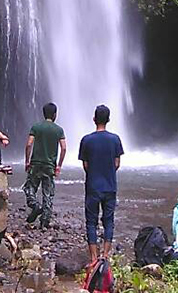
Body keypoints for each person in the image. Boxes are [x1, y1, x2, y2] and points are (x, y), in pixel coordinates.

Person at [78, 104, 124, 267]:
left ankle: (93, 259)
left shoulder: (87, 140)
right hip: (110, 186)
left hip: (92, 187)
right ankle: (105, 256)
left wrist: (95, 172)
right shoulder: (115, 139)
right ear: (109, 119)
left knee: (91, 222)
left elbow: (85, 164)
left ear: (94, 119)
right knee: (108, 221)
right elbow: (117, 163)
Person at [24, 101, 66, 228]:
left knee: (29, 188)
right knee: (47, 194)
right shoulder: (58, 130)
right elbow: (63, 148)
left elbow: (29, 144)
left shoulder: (36, 127)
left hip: (36, 164)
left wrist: (27, 161)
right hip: (49, 166)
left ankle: (35, 205)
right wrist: (59, 165)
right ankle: (45, 221)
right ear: (54, 115)